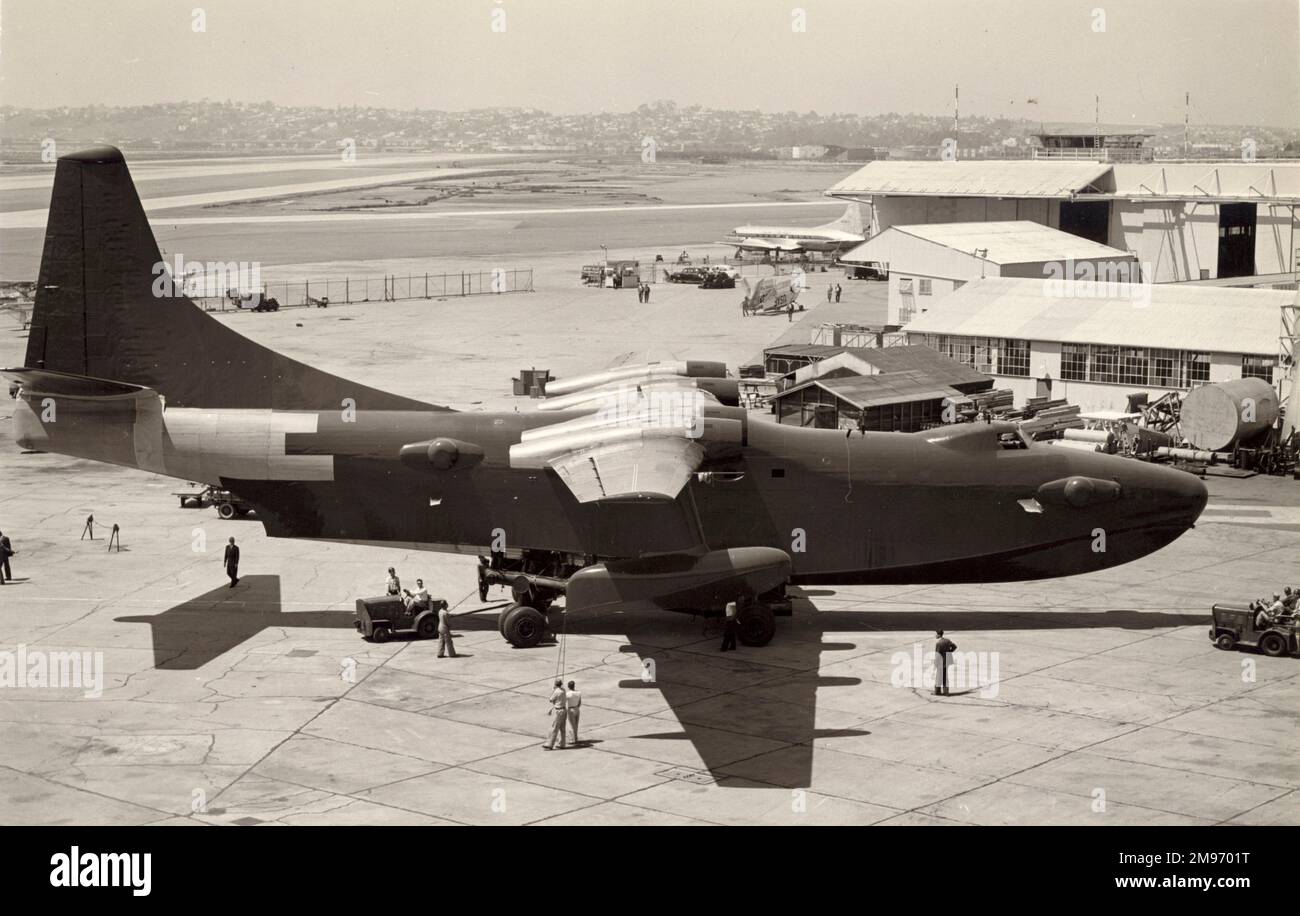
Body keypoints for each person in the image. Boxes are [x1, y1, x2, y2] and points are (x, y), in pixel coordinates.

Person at [543, 679, 568, 750]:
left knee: (554, 728)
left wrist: (553, 691)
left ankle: (549, 744)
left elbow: (551, 699)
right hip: (564, 710)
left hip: (559, 711)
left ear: (555, 684)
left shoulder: (556, 691)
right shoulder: (563, 690)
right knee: (562, 728)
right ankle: (562, 744)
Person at [934, 630, 957, 696]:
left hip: (940, 662)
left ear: (939, 634)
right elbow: (955, 647)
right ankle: (946, 692)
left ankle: (937, 692)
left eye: (936, 634)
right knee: (945, 676)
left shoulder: (938, 643)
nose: (935, 635)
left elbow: (937, 654)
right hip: (947, 661)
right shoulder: (947, 641)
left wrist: (935, 663)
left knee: (938, 677)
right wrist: (949, 651)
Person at [565, 680, 582, 745]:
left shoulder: (568, 694)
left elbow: (563, 700)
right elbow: (580, 703)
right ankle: (576, 737)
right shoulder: (579, 692)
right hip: (577, 709)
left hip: (571, 709)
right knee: (576, 725)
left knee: (571, 725)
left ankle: (572, 740)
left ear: (568, 686)